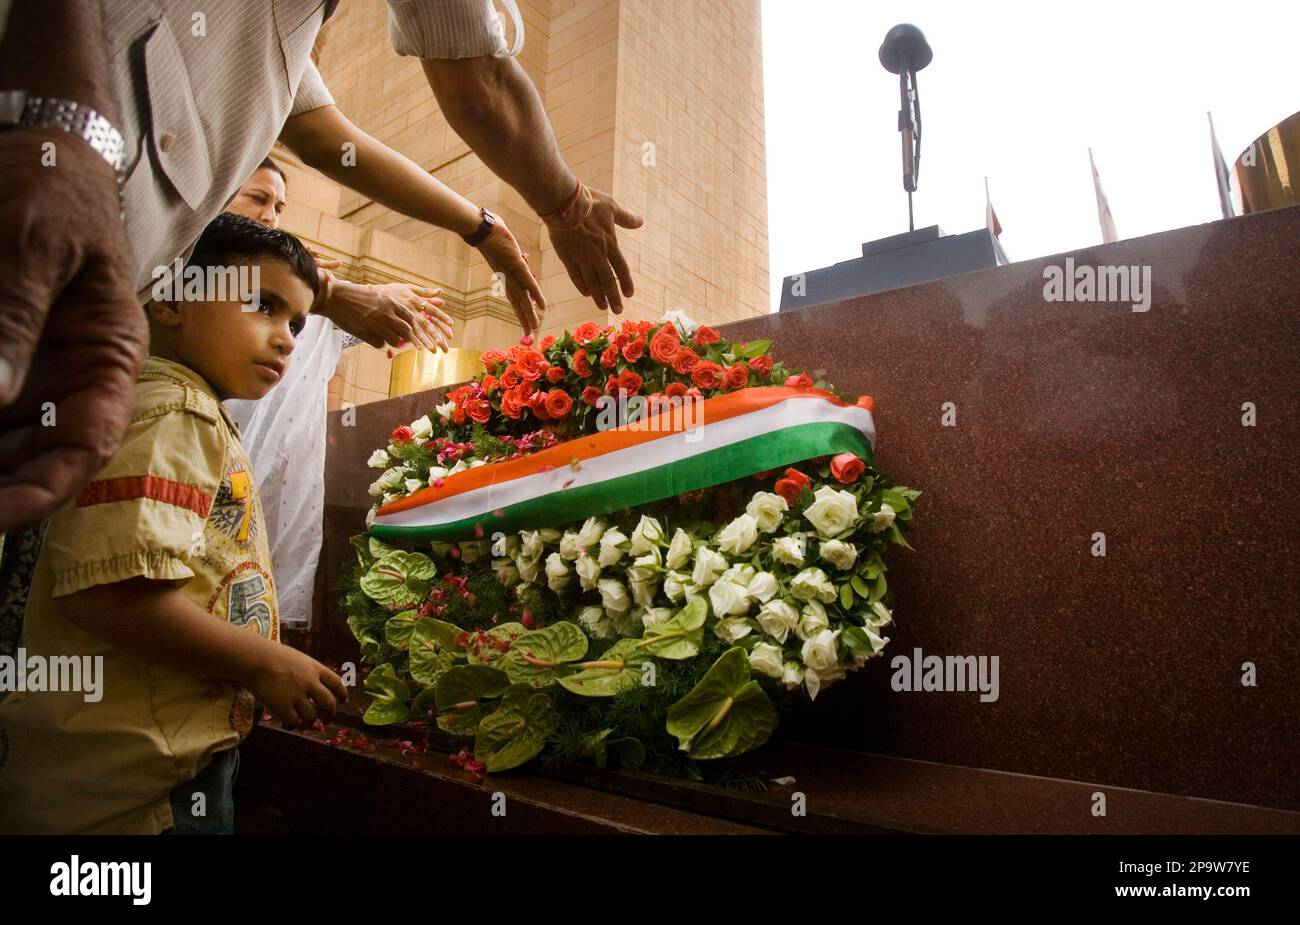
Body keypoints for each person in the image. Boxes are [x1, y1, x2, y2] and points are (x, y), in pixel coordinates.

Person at [0, 0, 644, 535]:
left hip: (84, 288)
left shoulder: (279, 34)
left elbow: (325, 135)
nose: (286, 336)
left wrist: (481, 227)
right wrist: (565, 204)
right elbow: (482, 86)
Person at [0, 214, 348, 834]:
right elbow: (107, 594)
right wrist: (265, 663)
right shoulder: (174, 410)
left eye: (296, 322)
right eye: (262, 305)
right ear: (169, 298)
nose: (288, 339)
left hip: (149, 762)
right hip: (133, 790)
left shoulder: (175, 406)